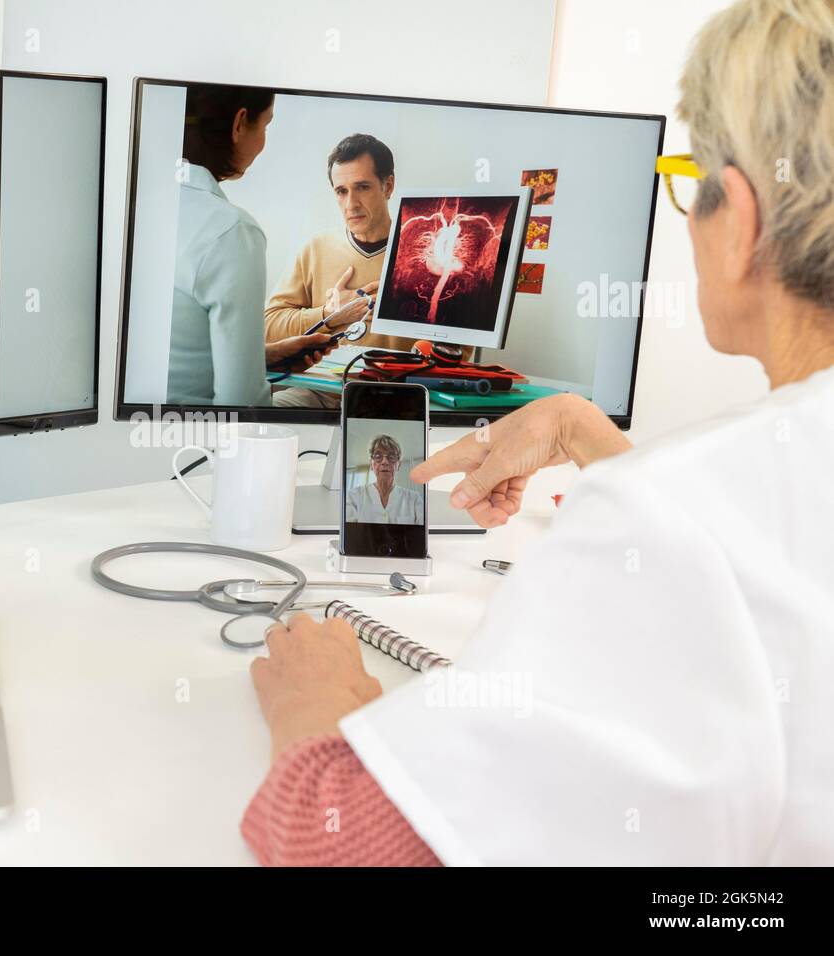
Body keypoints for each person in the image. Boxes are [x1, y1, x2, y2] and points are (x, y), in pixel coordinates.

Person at [242, 0, 834, 866]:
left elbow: (324, 843)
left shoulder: (665, 518)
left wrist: (317, 694)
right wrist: (587, 433)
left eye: (687, 180)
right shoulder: (723, 501)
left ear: (737, 217)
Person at [265, 133, 467, 408]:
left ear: (388, 186)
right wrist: (329, 315)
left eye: (362, 187)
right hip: (319, 394)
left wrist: (403, 308)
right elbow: (269, 328)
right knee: (263, 414)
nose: (351, 204)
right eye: (342, 191)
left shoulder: (433, 254)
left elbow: (460, 350)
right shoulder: (315, 249)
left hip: (396, 400)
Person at [166, 85, 333, 406]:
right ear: (239, 123)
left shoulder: (138, 201)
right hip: (197, 440)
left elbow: (182, 353)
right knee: (319, 396)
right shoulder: (231, 231)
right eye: (266, 125)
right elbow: (243, 405)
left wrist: (263, 357)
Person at [344, 435, 423, 525]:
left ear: (399, 465)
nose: (385, 462)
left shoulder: (414, 500)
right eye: (378, 456)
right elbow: (351, 536)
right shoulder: (354, 497)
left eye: (391, 456)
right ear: (371, 464)